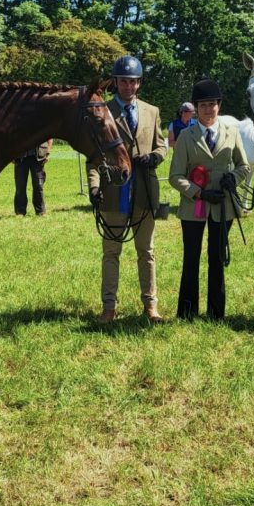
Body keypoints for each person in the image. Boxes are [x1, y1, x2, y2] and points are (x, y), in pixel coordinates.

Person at [87, 55, 167, 324]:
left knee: (147, 251)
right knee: (111, 252)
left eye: (133, 82)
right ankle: (109, 306)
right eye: (123, 81)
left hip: (144, 189)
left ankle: (150, 305)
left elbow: (162, 145)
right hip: (114, 191)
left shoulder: (152, 111)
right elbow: (94, 156)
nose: (128, 87)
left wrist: (155, 157)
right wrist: (94, 186)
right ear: (116, 83)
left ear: (139, 84)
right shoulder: (103, 111)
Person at [168, 78, 250, 320]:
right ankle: (187, 311)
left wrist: (233, 179)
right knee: (191, 257)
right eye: (203, 105)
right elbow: (175, 176)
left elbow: (244, 165)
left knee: (216, 257)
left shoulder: (231, 132)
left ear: (219, 106)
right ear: (196, 108)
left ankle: (216, 312)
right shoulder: (185, 137)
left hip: (223, 205)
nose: (208, 109)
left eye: (212, 104)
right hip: (195, 205)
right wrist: (199, 192)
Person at [14, 139, 52, 215]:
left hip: (38, 157)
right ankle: (20, 212)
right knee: (20, 186)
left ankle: (40, 211)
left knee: (38, 185)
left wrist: (48, 152)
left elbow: (49, 136)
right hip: (20, 157)